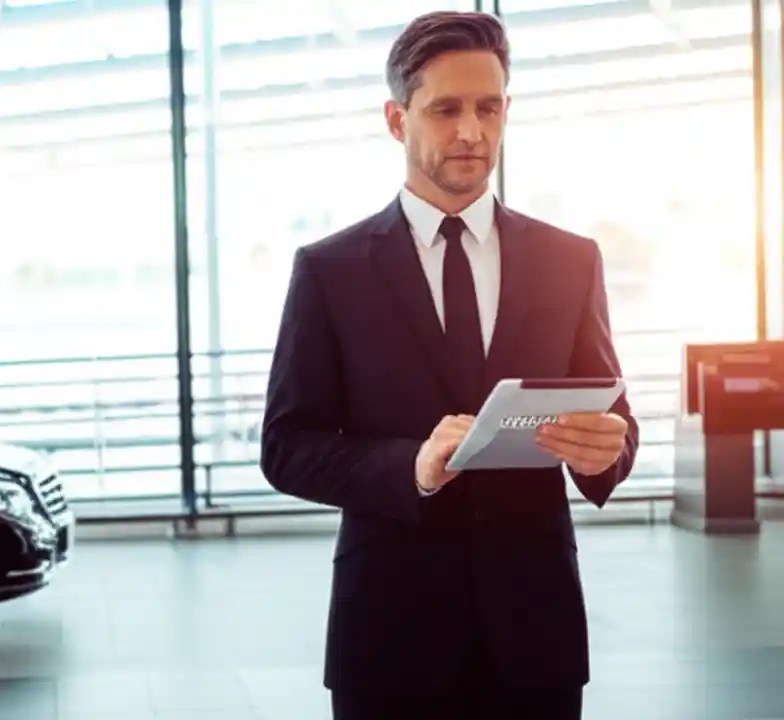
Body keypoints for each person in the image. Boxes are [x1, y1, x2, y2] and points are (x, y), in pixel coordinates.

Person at [258, 11, 639, 719]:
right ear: (396, 120)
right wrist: (411, 466)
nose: (471, 131)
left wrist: (605, 452)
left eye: (488, 108)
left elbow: (614, 421)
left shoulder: (569, 260)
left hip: (537, 636)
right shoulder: (330, 271)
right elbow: (286, 447)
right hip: (389, 636)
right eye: (446, 110)